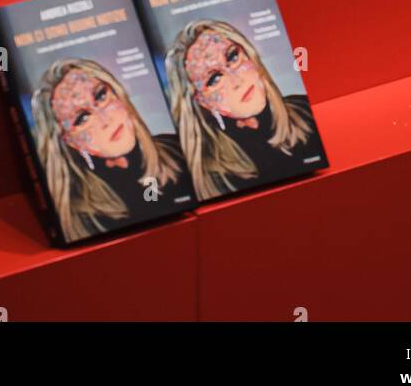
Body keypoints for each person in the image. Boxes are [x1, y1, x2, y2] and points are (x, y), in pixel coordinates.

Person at [166, 19, 327, 200]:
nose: (237, 80)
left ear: (249, 53)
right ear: (201, 102)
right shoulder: (212, 174)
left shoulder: (304, 111)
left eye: (233, 57)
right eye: (214, 79)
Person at [32, 58, 190, 242]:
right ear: (68, 141)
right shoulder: (79, 215)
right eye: (82, 118)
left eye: (100, 96)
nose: (104, 119)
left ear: (117, 93)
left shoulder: (176, 149)